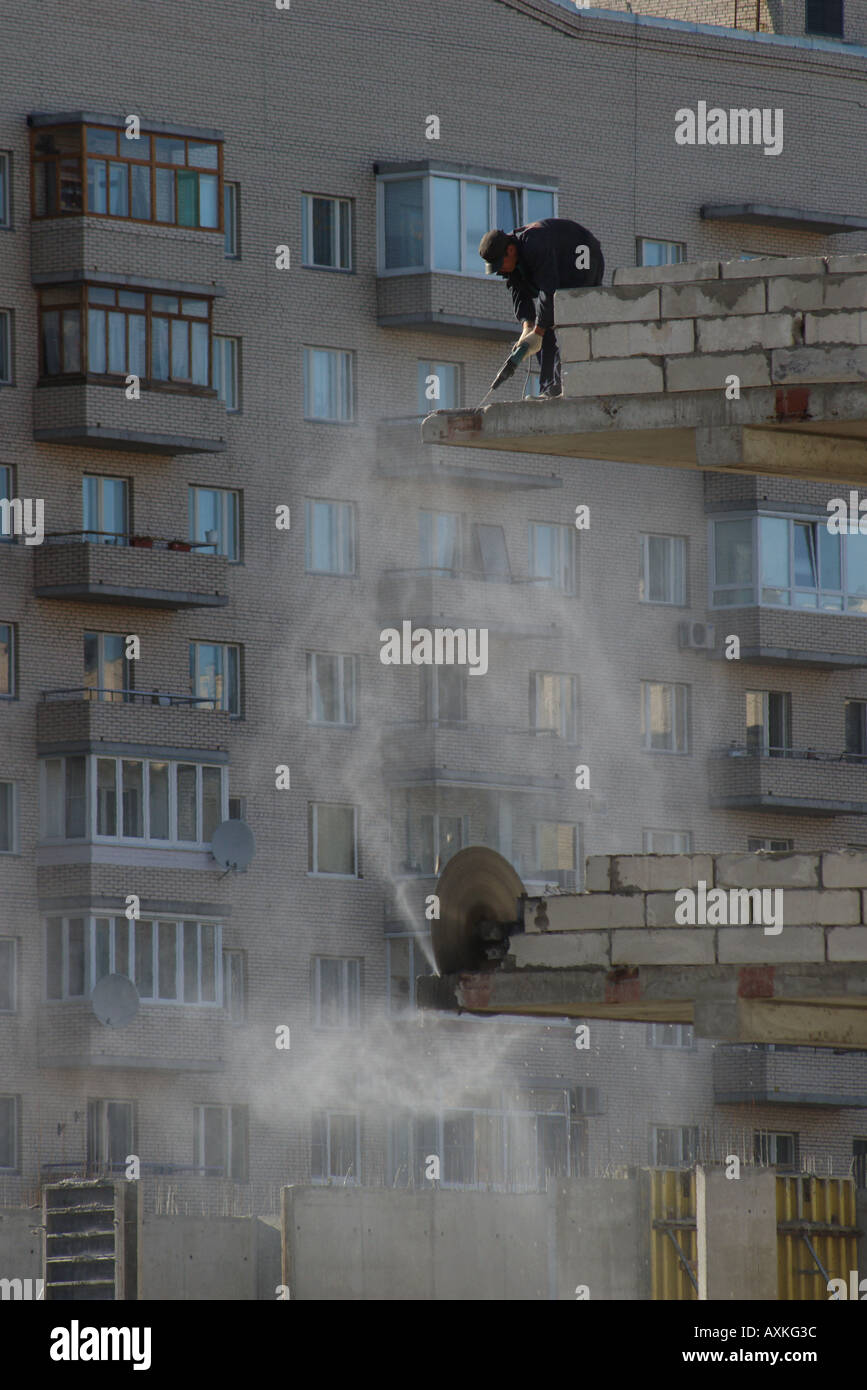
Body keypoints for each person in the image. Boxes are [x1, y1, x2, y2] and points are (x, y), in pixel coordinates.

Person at [479, 218, 604, 397]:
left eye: (501, 265)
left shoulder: (534, 244)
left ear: (511, 250)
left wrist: (538, 331)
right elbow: (519, 293)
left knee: (565, 315)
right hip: (560, 270)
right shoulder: (512, 263)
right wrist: (527, 328)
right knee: (542, 330)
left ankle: (560, 386)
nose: (501, 271)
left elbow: (549, 289)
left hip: (582, 253)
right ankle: (548, 389)